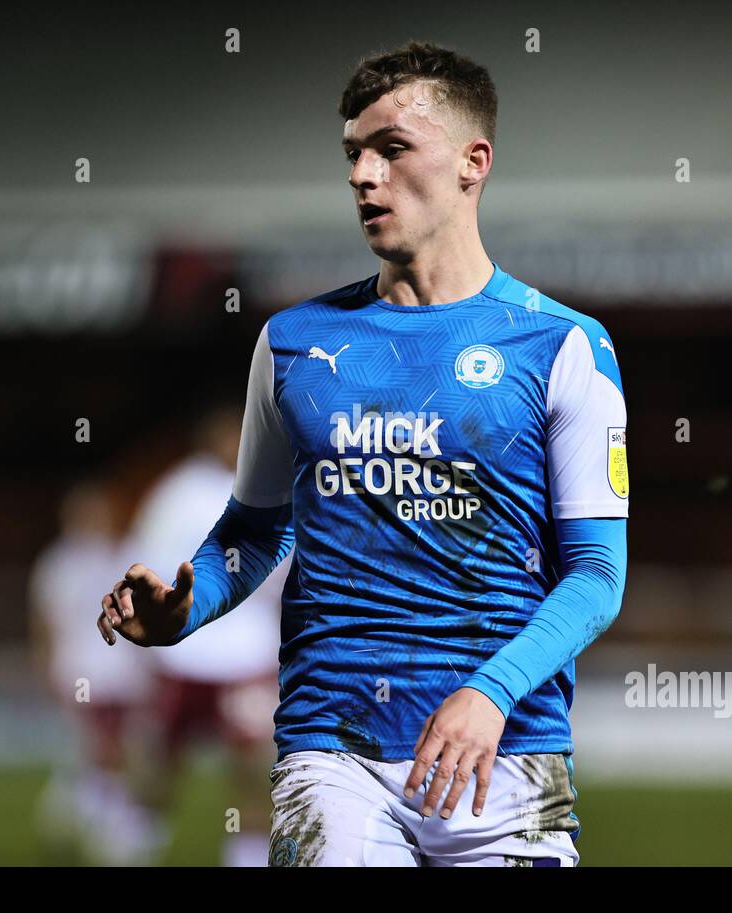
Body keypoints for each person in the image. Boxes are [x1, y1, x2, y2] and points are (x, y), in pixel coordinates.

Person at [98, 41, 628, 866]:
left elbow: (596, 576)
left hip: (507, 755)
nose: (362, 176)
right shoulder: (293, 345)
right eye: (353, 154)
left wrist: (489, 692)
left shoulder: (561, 346)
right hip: (331, 749)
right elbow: (253, 530)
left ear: (471, 163)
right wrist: (185, 605)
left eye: (391, 149)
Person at [129, 403, 288, 867]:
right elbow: (148, 558)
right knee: (162, 760)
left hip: (247, 654)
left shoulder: (271, 487)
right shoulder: (177, 492)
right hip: (187, 653)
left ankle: (248, 853)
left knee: (254, 765)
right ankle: (139, 839)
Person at [30, 480, 166, 864]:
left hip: (123, 672)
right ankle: (108, 830)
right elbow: (46, 622)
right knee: (107, 750)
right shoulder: (58, 564)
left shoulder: (124, 556)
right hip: (83, 672)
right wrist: (48, 666)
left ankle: (72, 811)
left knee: (112, 752)